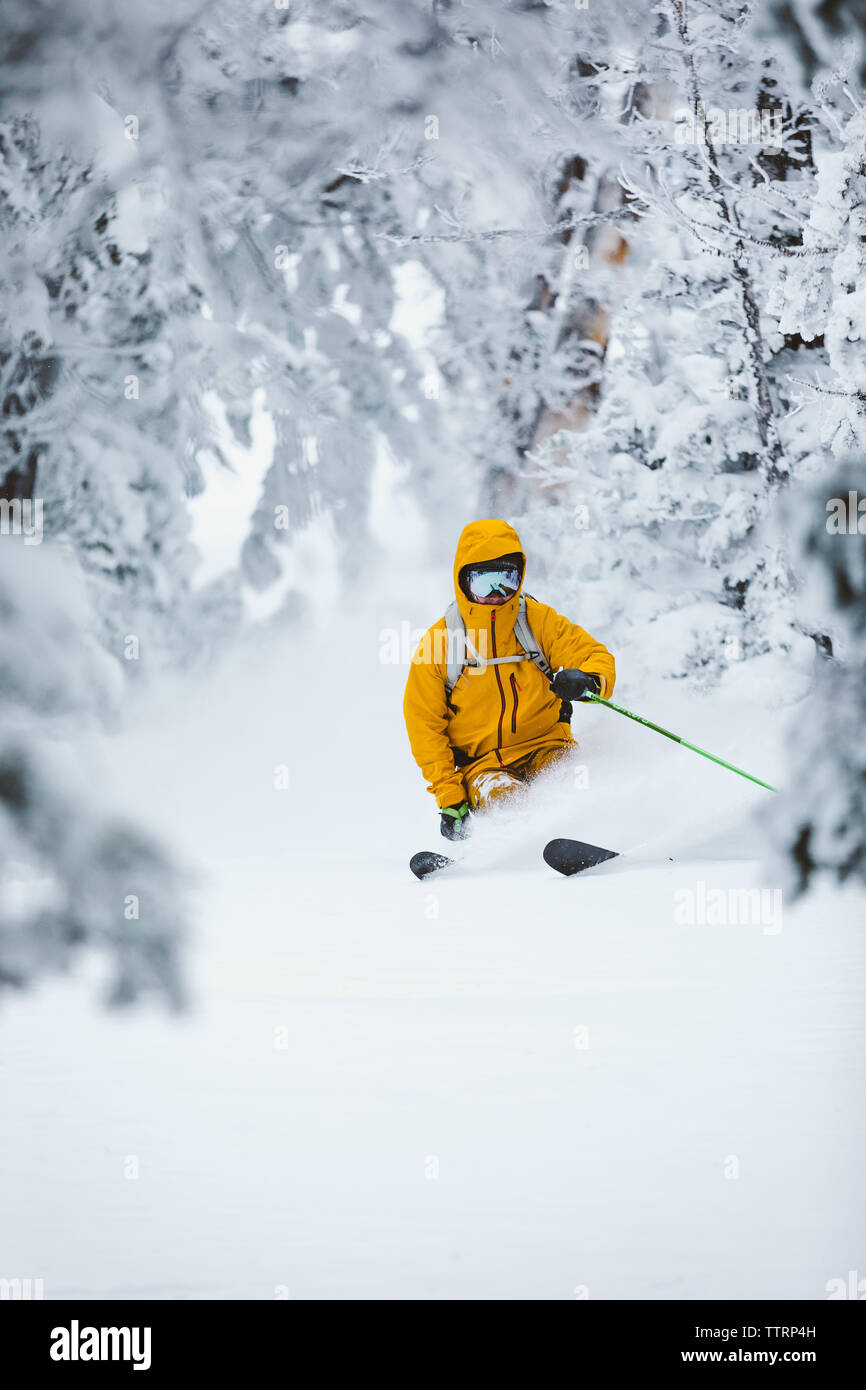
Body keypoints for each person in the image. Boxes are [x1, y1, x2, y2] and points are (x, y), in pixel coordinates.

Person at [403, 519, 616, 841]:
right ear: (463, 581)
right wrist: (450, 796)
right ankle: (524, 850)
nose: (496, 594)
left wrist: (588, 680)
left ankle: (600, 837)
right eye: (484, 583)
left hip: (548, 746)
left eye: (506, 581)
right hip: (484, 766)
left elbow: (593, 654)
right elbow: (424, 724)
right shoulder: (441, 642)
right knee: (505, 798)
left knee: (576, 780)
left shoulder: (536, 621)